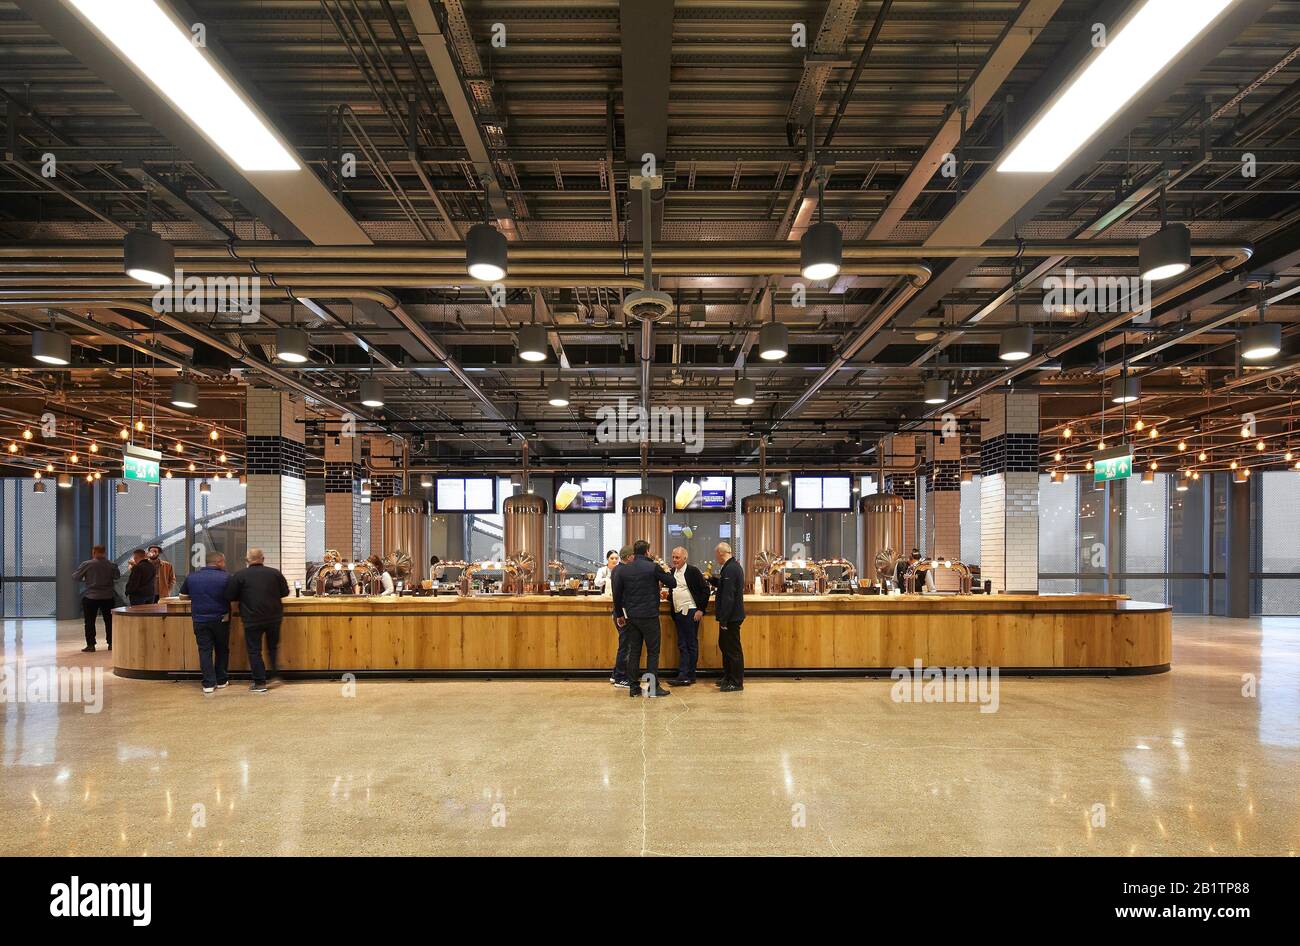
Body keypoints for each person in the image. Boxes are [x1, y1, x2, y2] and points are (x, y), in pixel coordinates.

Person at [611, 539, 676, 698]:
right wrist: (666, 571)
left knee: (634, 651)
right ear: (647, 551)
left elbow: (617, 595)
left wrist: (619, 614)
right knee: (653, 652)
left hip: (632, 617)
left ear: (634, 552)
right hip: (650, 616)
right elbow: (672, 583)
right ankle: (653, 688)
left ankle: (634, 688)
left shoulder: (624, 570)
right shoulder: (653, 567)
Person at [225, 548, 290, 693]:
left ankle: (260, 683)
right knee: (273, 647)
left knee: (254, 651)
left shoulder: (239, 575)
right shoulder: (275, 573)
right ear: (263, 558)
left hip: (251, 618)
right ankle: (275, 674)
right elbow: (285, 592)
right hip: (274, 617)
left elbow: (230, 596)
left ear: (247, 560)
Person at [180, 551, 231, 694]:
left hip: (200, 619)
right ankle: (221, 680)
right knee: (221, 649)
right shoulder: (226, 577)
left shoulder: (192, 577)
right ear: (219, 561)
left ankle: (209, 684)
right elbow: (233, 596)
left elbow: (182, 597)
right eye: (224, 562)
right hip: (221, 619)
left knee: (204, 651)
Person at [667, 546, 709, 686]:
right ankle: (686, 675)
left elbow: (705, 590)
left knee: (690, 644)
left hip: (691, 612)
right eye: (673, 557)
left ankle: (687, 675)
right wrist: (668, 596)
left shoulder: (693, 571)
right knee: (682, 644)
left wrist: (701, 610)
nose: (674, 560)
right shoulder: (673, 571)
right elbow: (676, 590)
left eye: (677, 557)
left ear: (685, 558)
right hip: (678, 612)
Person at [710, 542, 746, 692]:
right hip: (729, 616)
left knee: (733, 649)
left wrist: (724, 619)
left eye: (716, 554)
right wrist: (713, 580)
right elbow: (725, 587)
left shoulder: (731, 569)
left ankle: (736, 682)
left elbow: (728, 596)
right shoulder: (731, 567)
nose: (715, 557)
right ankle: (728, 676)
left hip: (731, 617)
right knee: (725, 646)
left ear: (721, 553)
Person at [72, 544, 119, 653]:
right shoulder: (112, 565)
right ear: (105, 552)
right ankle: (111, 643)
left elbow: (75, 577)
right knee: (109, 621)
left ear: (94, 552)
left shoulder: (87, 564)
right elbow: (117, 577)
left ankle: (91, 645)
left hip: (91, 596)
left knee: (89, 622)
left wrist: (87, 580)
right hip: (108, 596)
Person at [608, 546, 633, 687]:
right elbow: (618, 595)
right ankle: (620, 677)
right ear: (629, 557)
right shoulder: (622, 571)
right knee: (625, 645)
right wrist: (619, 614)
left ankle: (615, 673)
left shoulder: (617, 569)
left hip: (620, 611)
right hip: (622, 612)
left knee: (625, 643)